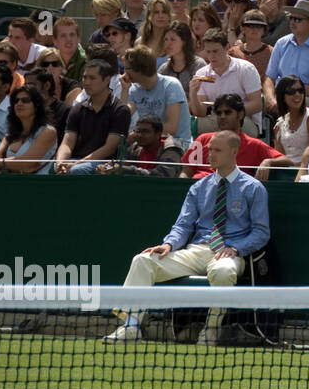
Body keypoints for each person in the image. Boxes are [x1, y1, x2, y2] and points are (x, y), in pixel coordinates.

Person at [103, 129, 270, 344]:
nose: (210, 155)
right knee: (143, 261)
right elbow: (183, 225)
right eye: (210, 150)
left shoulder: (254, 188)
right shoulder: (198, 187)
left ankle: (211, 330)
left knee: (223, 272)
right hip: (195, 252)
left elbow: (261, 232)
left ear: (234, 152)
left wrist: (236, 248)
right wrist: (169, 244)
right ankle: (131, 326)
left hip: (229, 253)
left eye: (217, 150)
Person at [53, 60, 129, 175]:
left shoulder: (120, 110)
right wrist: (60, 162)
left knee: (77, 170)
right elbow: (67, 143)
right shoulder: (77, 109)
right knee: (53, 167)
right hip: (78, 160)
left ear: (107, 80)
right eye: (84, 77)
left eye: (92, 78)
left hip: (105, 163)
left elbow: (109, 148)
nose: (87, 82)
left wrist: (75, 164)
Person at [181, 94, 283, 179]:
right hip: (198, 191)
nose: (222, 117)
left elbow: (286, 161)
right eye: (219, 113)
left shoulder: (254, 144)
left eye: (227, 112)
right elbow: (186, 171)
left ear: (240, 115)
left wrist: (268, 161)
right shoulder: (203, 139)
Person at [123, 45, 190, 149]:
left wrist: (138, 134)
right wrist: (124, 90)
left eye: (127, 68)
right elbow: (123, 116)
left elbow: (172, 127)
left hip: (175, 144)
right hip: (148, 143)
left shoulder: (171, 86)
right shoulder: (134, 89)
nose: (124, 73)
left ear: (139, 69)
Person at [0, 86, 57, 174]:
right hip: (11, 183)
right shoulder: (11, 132)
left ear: (36, 106)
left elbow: (27, 163)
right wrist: (17, 165)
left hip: (38, 184)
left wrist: (1, 163)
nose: (19, 103)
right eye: (16, 101)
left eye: (25, 100)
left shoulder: (48, 131)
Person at [270, 75, 309, 166]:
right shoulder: (280, 123)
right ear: (282, 97)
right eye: (291, 92)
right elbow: (279, 156)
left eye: (301, 90)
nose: (297, 94)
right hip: (286, 171)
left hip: (307, 170)